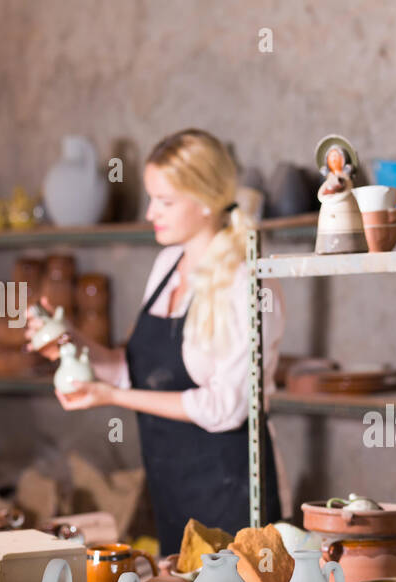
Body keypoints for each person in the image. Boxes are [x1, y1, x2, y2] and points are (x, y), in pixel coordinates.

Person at [27, 129, 285, 555]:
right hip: (170, 488)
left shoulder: (247, 280)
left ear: (204, 200)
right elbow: (132, 368)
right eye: (152, 198)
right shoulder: (167, 264)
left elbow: (226, 408)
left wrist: (112, 396)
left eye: (164, 201)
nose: (151, 213)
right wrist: (67, 340)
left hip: (231, 492)